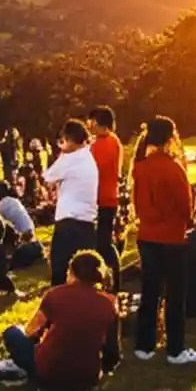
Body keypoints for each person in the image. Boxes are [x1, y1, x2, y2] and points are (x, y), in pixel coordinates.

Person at [132, 115, 196, 364]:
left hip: (147, 235)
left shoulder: (140, 167)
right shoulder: (173, 168)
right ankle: (175, 348)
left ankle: (145, 345)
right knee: (175, 294)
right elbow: (186, 206)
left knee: (149, 291)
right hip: (172, 236)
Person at [0, 251, 121, 390]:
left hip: (48, 374)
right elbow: (113, 352)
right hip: (88, 379)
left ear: (72, 272)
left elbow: (31, 331)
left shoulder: (55, 294)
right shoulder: (109, 303)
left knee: (12, 332)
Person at [43, 119, 99, 288]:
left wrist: (62, 154)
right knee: (85, 275)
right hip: (88, 222)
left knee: (60, 270)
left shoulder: (69, 159)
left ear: (70, 139)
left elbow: (48, 177)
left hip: (69, 221)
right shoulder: (88, 157)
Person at [88, 106, 124, 292]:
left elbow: (95, 169)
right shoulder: (107, 141)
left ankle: (114, 281)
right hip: (103, 198)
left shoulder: (106, 143)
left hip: (104, 199)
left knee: (103, 243)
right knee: (101, 241)